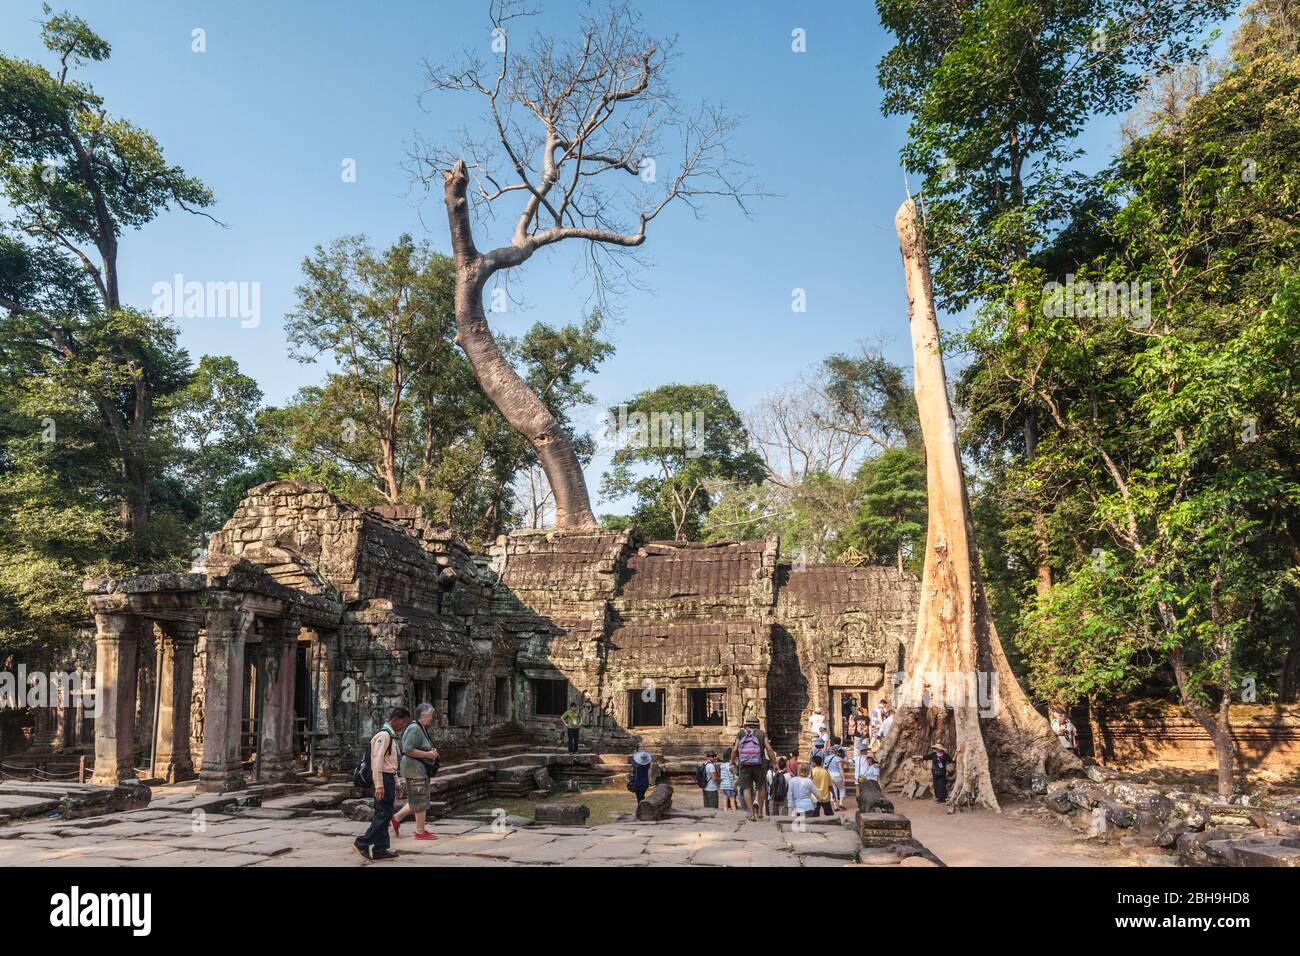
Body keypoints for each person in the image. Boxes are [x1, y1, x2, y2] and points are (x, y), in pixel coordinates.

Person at [354, 706, 409, 862]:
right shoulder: (383, 736)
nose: (403, 726)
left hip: (388, 778)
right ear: (395, 720)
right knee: (383, 814)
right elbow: (377, 762)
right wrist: (379, 785)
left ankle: (380, 848)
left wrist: (397, 784)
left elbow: (390, 764)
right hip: (382, 779)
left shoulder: (390, 737)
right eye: (403, 723)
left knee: (385, 813)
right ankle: (362, 842)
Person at [391, 702, 440, 841]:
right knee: (420, 799)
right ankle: (420, 832)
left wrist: (431, 752)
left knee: (417, 799)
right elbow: (407, 749)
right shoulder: (414, 728)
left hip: (418, 769)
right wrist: (428, 755)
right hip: (414, 769)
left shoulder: (421, 727)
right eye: (430, 716)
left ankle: (396, 818)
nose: (431, 718)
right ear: (423, 715)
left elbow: (421, 746)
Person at [734, 714, 778, 821]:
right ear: (757, 725)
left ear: (746, 725)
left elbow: (735, 749)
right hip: (759, 764)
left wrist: (731, 762)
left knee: (747, 788)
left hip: (744, 764)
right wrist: (774, 763)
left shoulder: (741, 733)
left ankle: (751, 813)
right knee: (761, 787)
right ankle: (759, 812)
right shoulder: (761, 734)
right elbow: (769, 749)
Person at [809, 753, 834, 817]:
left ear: (814, 763)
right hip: (825, 797)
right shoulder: (825, 772)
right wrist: (833, 793)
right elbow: (830, 785)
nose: (811, 764)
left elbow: (809, 784)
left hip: (815, 797)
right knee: (830, 815)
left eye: (812, 762)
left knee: (815, 816)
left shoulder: (812, 772)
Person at [826, 743, 847, 812]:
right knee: (842, 789)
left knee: (833, 791)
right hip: (837, 775)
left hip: (829, 775)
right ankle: (840, 803)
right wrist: (843, 778)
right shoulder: (839, 759)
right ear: (837, 752)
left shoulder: (826, 758)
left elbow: (824, 768)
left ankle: (835, 805)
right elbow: (841, 769)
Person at [719, 747, 737, 811]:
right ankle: (734, 810)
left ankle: (725, 810)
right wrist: (734, 786)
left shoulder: (722, 765)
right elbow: (733, 776)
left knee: (725, 798)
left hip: (723, 785)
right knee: (732, 799)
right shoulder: (730, 765)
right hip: (730, 785)